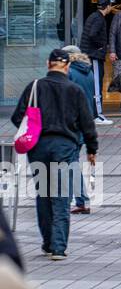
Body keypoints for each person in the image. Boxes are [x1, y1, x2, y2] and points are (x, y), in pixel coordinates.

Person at [10, 48, 97, 261]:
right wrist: (91, 149)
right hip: (65, 147)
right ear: (67, 66)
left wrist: (34, 128)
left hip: (38, 147)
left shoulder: (35, 86)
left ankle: (48, 243)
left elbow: (17, 117)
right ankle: (58, 247)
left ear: (48, 64)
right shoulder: (75, 90)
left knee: (43, 194)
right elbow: (87, 123)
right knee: (61, 195)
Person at [63, 46, 97, 214]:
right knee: (71, 162)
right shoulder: (88, 72)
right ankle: (77, 200)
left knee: (71, 163)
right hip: (86, 121)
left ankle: (81, 201)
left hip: (73, 123)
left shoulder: (69, 73)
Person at [77, 0, 114, 126]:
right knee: (97, 86)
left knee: (92, 86)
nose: (111, 8)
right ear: (107, 6)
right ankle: (98, 115)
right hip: (94, 56)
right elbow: (93, 34)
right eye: (110, 5)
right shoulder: (99, 19)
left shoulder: (93, 16)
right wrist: (101, 46)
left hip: (89, 55)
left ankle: (92, 114)